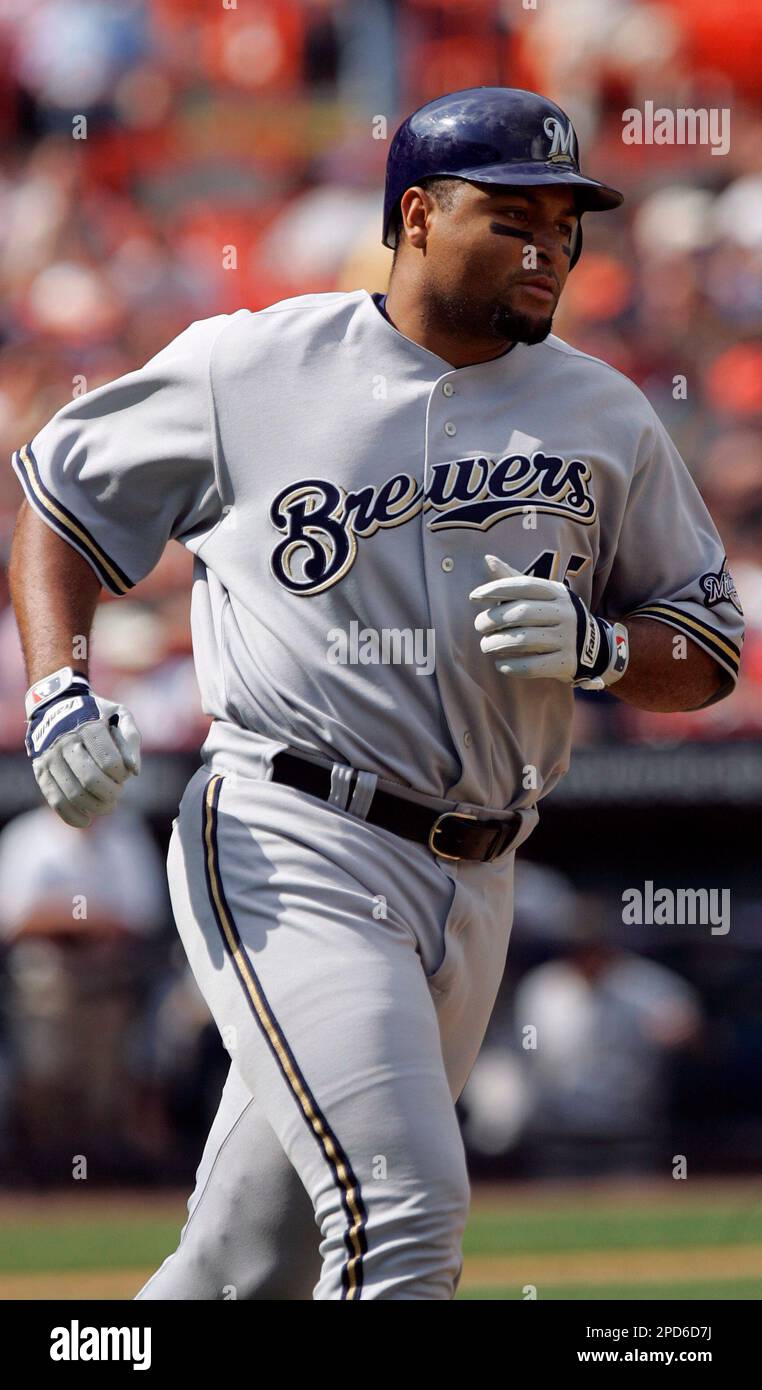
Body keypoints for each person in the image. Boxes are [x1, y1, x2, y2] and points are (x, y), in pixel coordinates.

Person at [8, 88, 744, 1300]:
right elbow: (59, 496)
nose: (548, 246)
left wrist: (605, 650)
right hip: (296, 832)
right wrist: (55, 688)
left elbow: (708, 643)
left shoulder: (605, 413)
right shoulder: (254, 366)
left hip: (482, 871)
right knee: (404, 1214)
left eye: (568, 222)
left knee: (247, 1264)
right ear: (415, 214)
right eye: (513, 215)